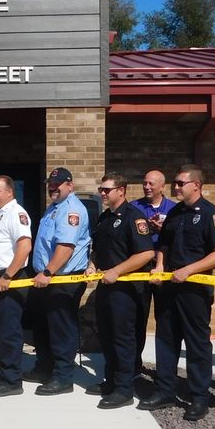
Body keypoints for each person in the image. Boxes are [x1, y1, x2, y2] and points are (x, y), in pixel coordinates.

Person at [139, 165, 215, 422]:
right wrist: (158, 266)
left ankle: (199, 396)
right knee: (166, 339)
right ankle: (165, 390)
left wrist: (189, 270)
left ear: (196, 185)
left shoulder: (212, 214)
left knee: (197, 343)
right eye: (175, 183)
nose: (175, 187)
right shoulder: (175, 212)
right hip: (169, 286)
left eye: (180, 183)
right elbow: (164, 244)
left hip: (194, 290)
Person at [90, 173, 155, 409]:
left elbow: (146, 253)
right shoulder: (105, 217)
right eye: (101, 189)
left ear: (122, 190)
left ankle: (124, 389)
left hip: (126, 290)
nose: (103, 193)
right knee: (106, 336)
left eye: (107, 190)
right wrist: (92, 265)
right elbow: (99, 249)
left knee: (123, 339)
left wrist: (117, 270)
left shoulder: (134, 217)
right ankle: (110, 380)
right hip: (106, 286)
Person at [26, 167, 91, 395]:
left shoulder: (72, 210)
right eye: (50, 184)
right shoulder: (54, 208)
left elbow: (65, 247)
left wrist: (48, 271)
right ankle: (44, 368)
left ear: (70, 185)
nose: (53, 187)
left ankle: (63, 378)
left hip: (61, 280)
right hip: (47, 278)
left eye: (58, 184)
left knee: (62, 329)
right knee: (44, 327)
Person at [0, 176, 32, 397]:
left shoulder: (16, 213)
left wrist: (8, 275)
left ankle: (12, 382)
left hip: (9, 279)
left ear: (10, 192)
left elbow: (24, 246)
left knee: (9, 332)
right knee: (0, 331)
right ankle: (5, 373)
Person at [129, 169, 173, 376]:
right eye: (145, 183)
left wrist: (163, 229)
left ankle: (165, 372)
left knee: (166, 320)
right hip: (141, 269)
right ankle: (134, 366)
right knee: (138, 318)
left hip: (165, 269)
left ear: (162, 187)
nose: (147, 187)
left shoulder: (174, 209)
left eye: (151, 184)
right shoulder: (134, 208)